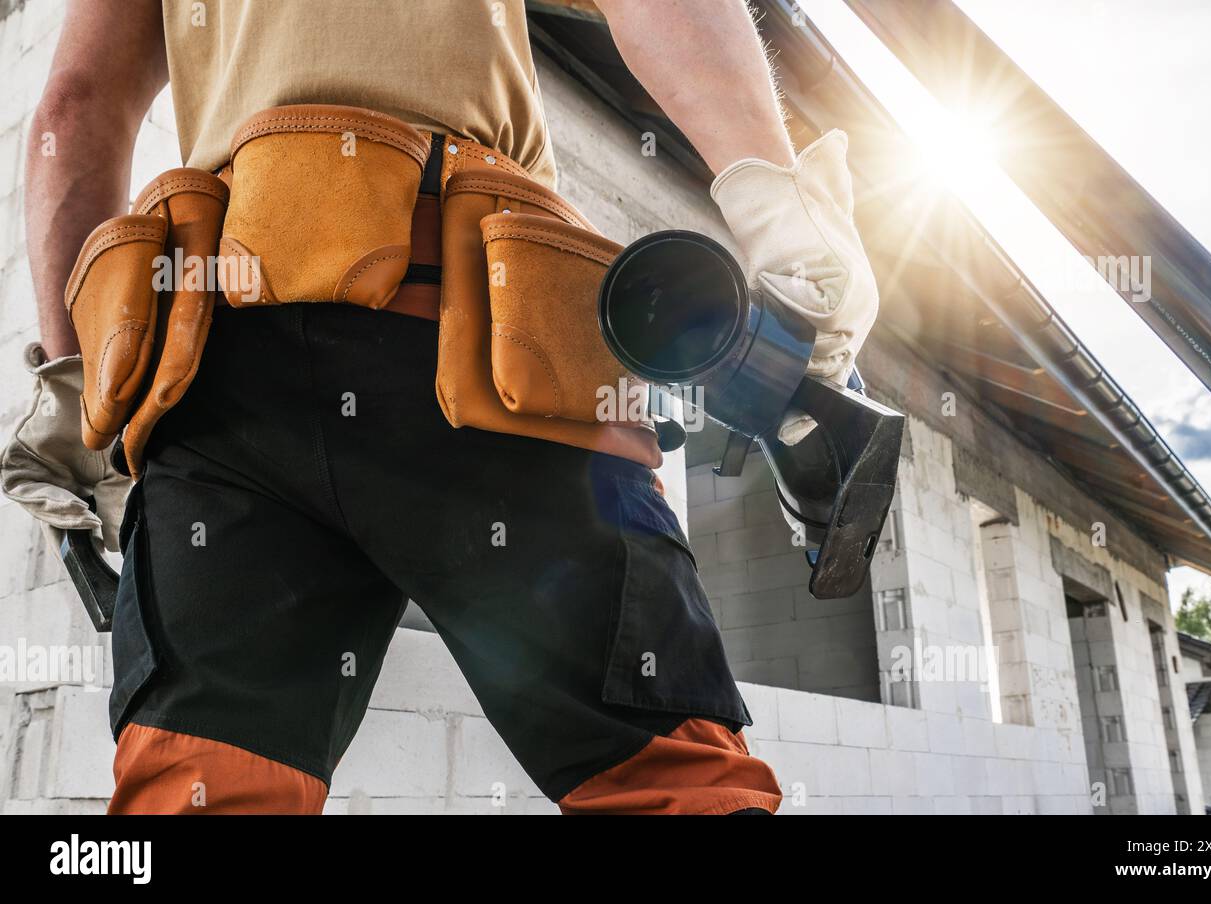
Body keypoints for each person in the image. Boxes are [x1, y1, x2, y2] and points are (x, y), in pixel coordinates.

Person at [2, 0, 878, 814]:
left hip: (220, 378)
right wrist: (779, 204)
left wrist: (83, 387)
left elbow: (73, 111)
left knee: (195, 788)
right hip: (482, 345)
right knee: (671, 782)